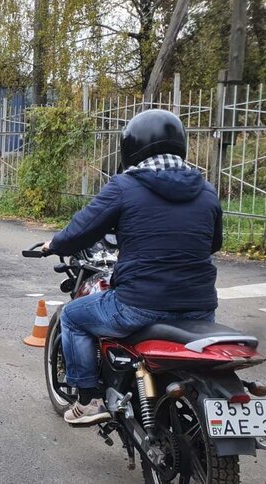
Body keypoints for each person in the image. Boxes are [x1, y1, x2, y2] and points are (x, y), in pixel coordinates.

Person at [42, 109, 223, 426]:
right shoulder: (206, 191)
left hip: (140, 305)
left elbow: (81, 230)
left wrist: (54, 245)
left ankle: (89, 400)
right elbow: (213, 244)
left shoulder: (125, 186)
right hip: (200, 310)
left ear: (131, 147)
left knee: (72, 316)